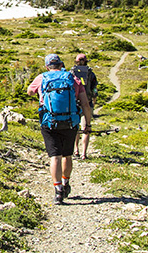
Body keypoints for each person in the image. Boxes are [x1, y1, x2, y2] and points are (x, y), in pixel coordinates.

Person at [28, 53, 93, 204]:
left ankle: (57, 190)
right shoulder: (73, 78)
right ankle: (65, 183)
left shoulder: (42, 77)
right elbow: (85, 104)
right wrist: (88, 124)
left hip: (49, 121)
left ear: (47, 66)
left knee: (54, 156)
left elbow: (29, 91)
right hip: (70, 122)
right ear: (61, 65)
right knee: (67, 155)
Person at [70, 53, 98, 159]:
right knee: (86, 127)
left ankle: (76, 150)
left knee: (75, 127)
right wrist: (93, 101)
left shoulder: (71, 73)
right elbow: (94, 89)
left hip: (75, 103)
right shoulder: (91, 74)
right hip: (88, 102)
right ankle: (84, 153)